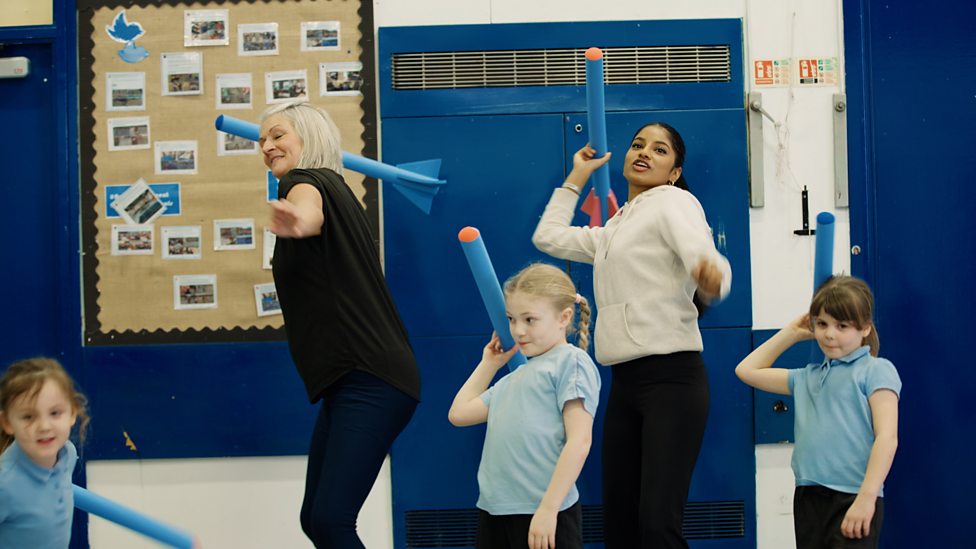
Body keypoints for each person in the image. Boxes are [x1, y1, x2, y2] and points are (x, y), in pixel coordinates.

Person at [531, 122, 732, 548]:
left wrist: (711, 275)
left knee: (658, 526)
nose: (644, 153)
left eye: (660, 151)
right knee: (621, 527)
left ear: (674, 171)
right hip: (625, 383)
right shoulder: (614, 229)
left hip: (672, 381)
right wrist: (577, 175)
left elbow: (703, 254)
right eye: (638, 145)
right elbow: (546, 236)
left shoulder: (672, 201)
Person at [259, 100, 421, 548]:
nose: (267, 146)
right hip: (355, 380)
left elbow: (308, 210)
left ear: (308, 139)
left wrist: (299, 221)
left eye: (278, 135)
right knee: (316, 518)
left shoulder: (305, 182)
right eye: (262, 140)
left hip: (370, 377)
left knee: (331, 520)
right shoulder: (338, 187)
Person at [735, 276, 899, 548]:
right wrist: (791, 332)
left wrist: (867, 497)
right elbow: (746, 371)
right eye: (821, 324)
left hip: (853, 497)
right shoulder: (806, 377)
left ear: (865, 328)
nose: (829, 333)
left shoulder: (876, 370)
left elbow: (887, 438)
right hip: (809, 496)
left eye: (842, 325)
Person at [449, 263, 601, 549]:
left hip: (542, 513)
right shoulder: (514, 378)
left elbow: (579, 441)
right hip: (495, 511)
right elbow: (459, 414)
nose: (518, 330)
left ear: (563, 317)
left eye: (530, 319)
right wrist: (489, 364)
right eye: (511, 318)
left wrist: (548, 509)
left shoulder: (571, 362)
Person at [0, 357, 89, 549]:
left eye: (55, 413)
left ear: (73, 412)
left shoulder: (66, 454)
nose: (44, 426)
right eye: (28, 417)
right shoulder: (5, 485)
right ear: (7, 422)